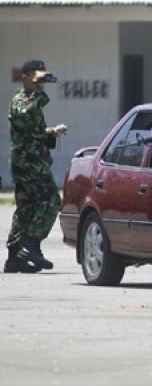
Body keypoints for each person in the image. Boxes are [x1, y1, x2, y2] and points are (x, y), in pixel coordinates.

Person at [4, 60, 68, 273]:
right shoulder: (21, 100)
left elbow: (32, 130)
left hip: (31, 160)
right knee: (51, 200)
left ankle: (15, 257)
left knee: (27, 206)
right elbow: (24, 113)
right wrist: (39, 92)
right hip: (28, 162)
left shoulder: (31, 99)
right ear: (24, 77)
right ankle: (31, 245)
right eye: (34, 76)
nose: (40, 82)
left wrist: (51, 132)